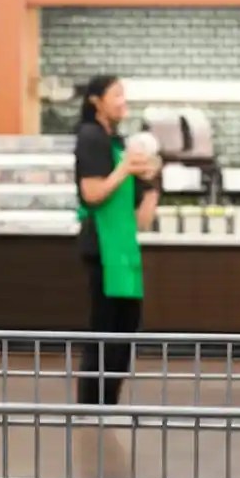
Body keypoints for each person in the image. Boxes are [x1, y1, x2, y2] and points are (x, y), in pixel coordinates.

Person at [73, 75, 159, 406]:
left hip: (125, 251)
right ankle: (92, 407)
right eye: (117, 94)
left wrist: (152, 181)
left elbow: (142, 219)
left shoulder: (119, 142)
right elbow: (92, 193)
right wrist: (124, 169)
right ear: (96, 100)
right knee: (104, 331)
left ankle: (109, 404)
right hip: (101, 249)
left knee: (125, 331)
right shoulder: (90, 137)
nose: (124, 101)